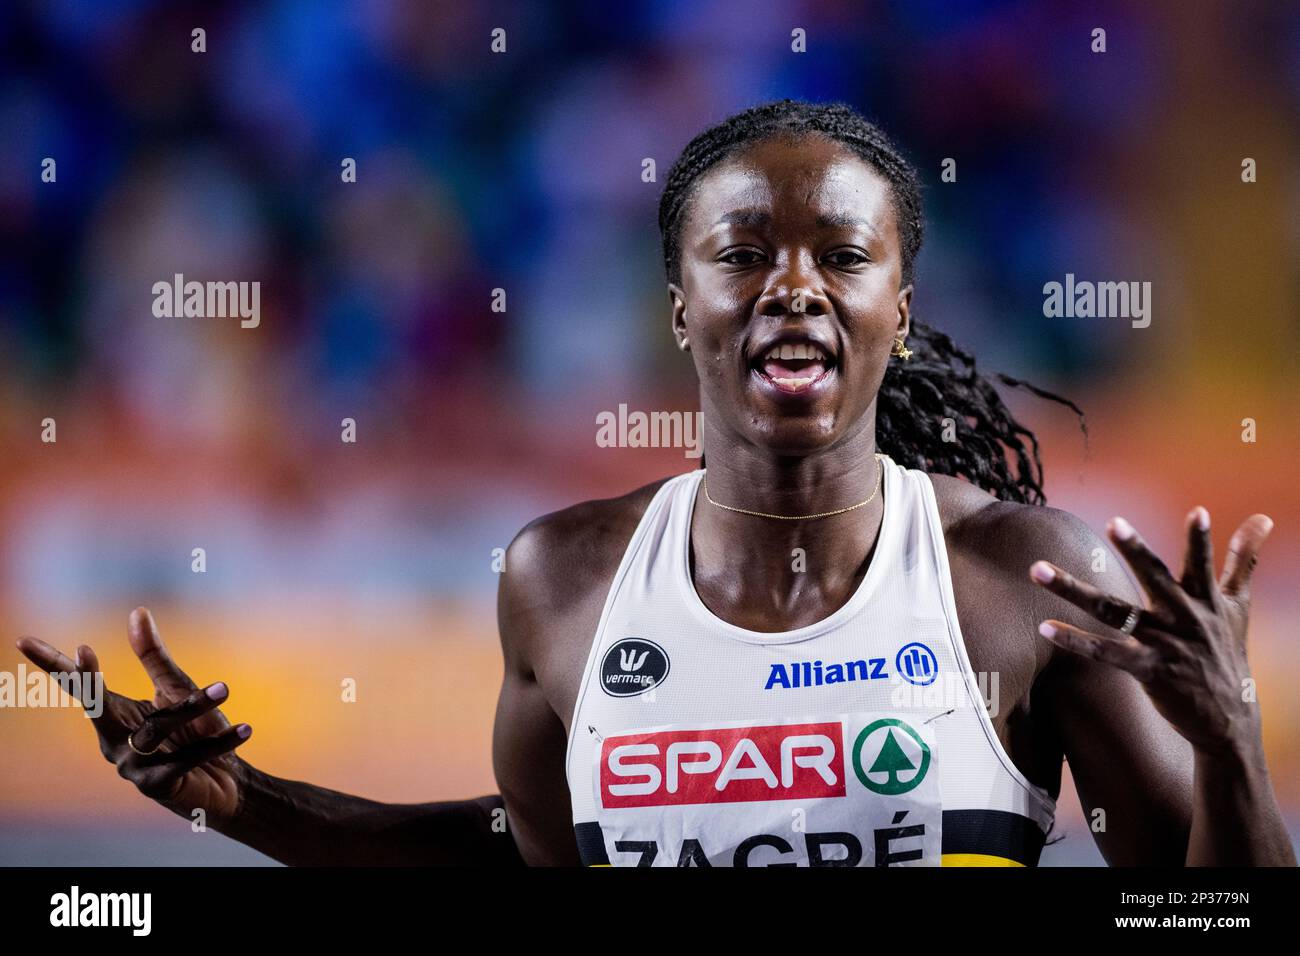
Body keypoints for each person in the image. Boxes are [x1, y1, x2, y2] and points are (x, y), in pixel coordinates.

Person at [17, 100, 1294, 867]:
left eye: (840, 254)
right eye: (745, 250)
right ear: (681, 306)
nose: (793, 282)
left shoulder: (1019, 580)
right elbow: (521, 857)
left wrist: (1229, 739)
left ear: (897, 312)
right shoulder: (560, 579)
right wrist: (248, 803)